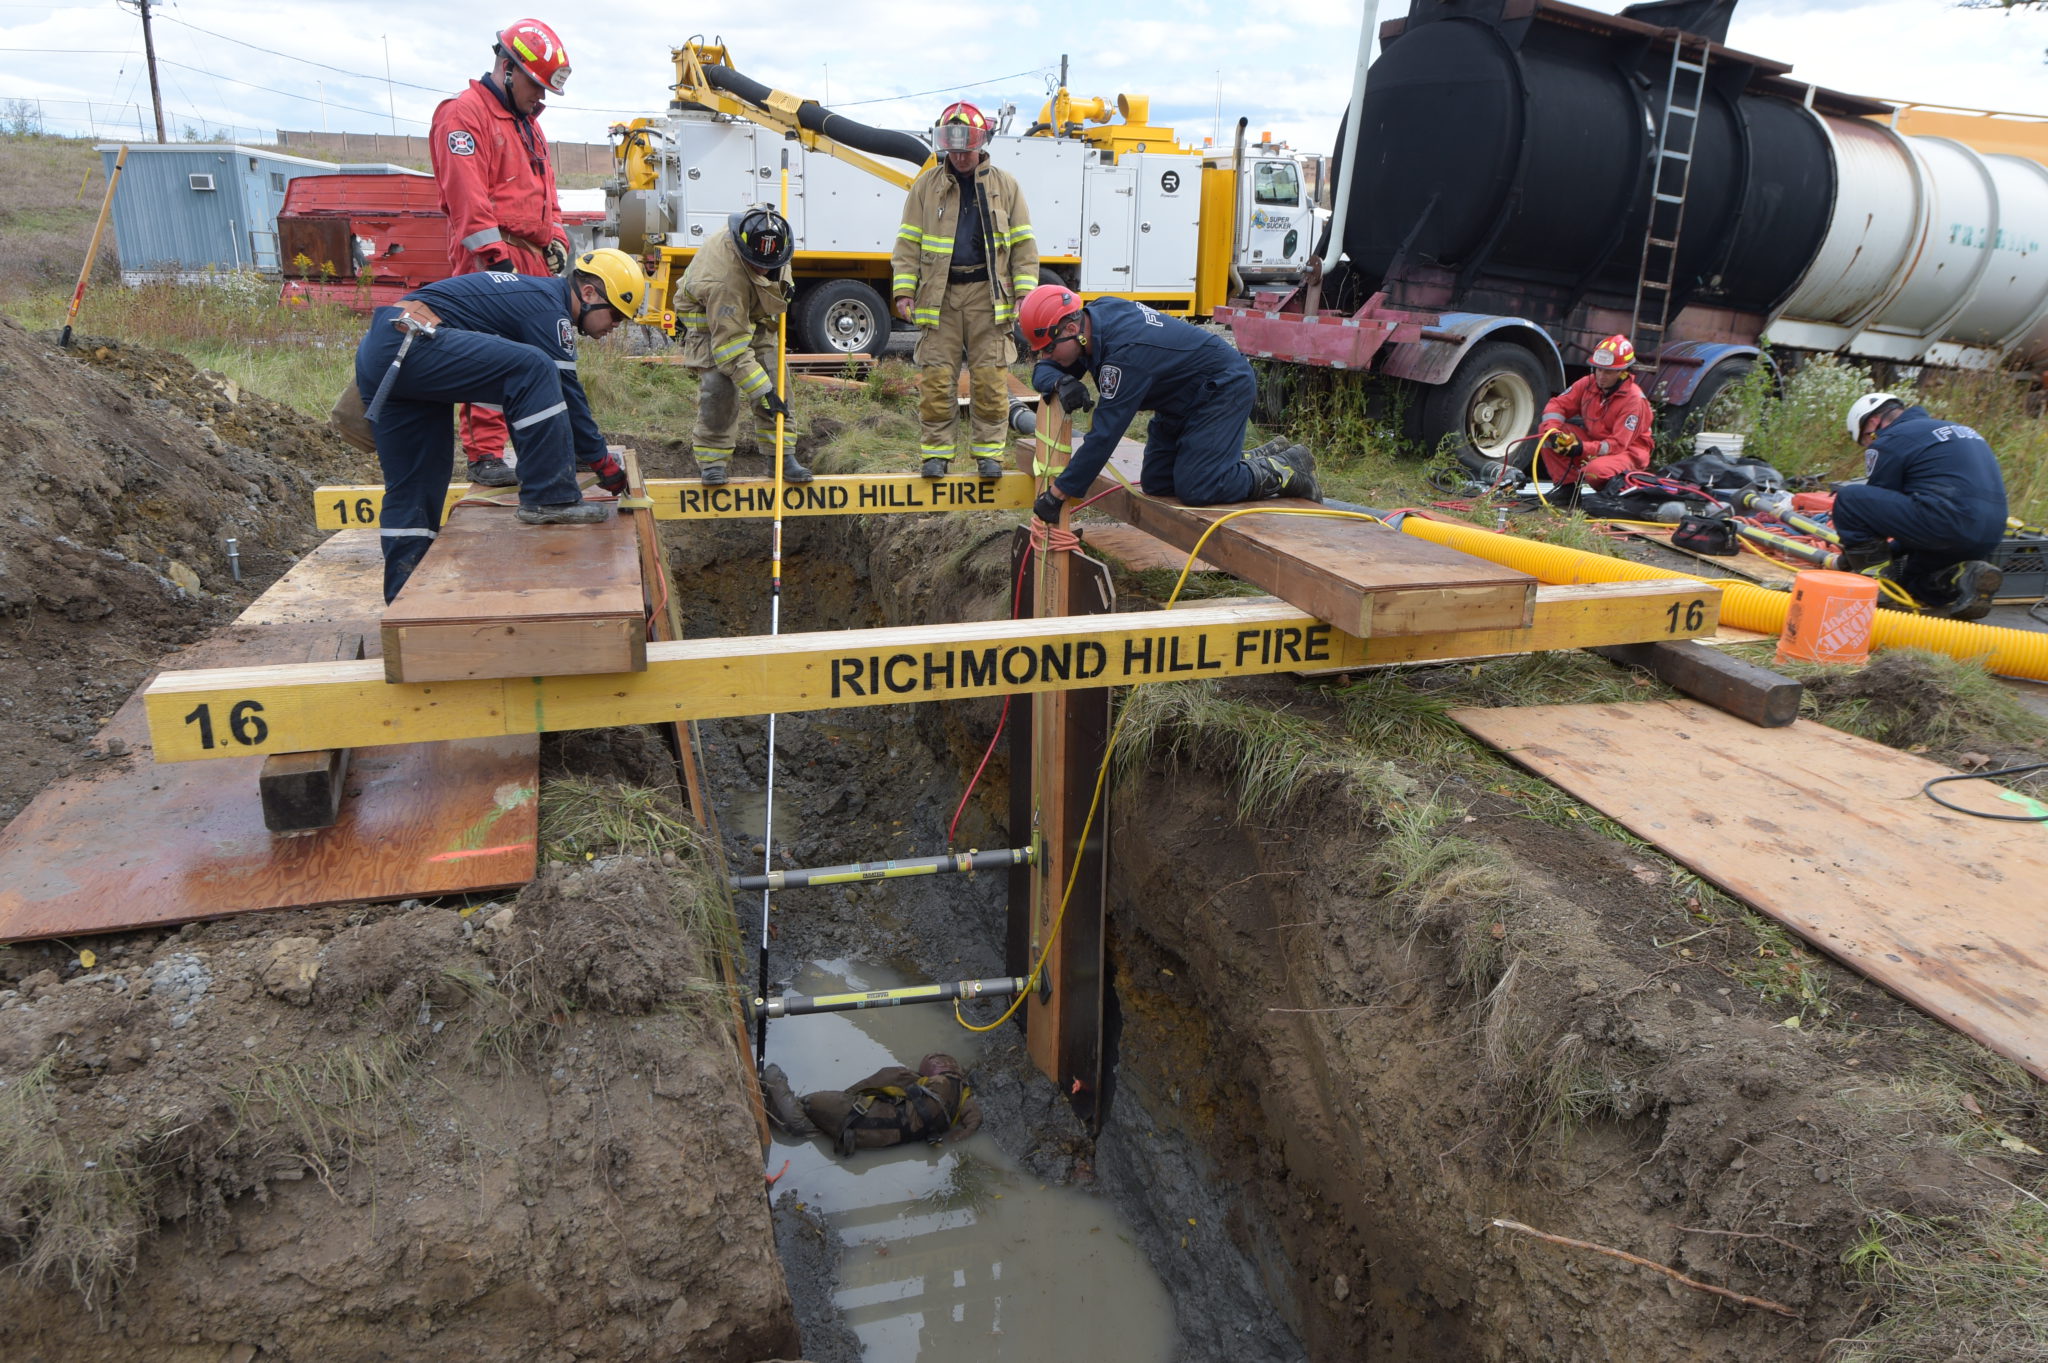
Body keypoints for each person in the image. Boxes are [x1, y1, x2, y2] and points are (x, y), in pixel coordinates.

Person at [355, 248, 644, 603]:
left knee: (416, 487)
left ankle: (403, 602)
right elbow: (568, 394)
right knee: (536, 366)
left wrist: (577, 453)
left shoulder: (533, 298)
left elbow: (530, 400)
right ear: (588, 293)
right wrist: (600, 461)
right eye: (616, 314)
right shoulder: (549, 311)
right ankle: (548, 497)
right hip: (412, 344)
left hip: (389, 349)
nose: (615, 326)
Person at [1017, 283, 1318, 521]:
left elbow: (1104, 437)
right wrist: (1060, 382)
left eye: (1048, 349)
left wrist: (1058, 494)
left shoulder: (1124, 356)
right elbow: (1042, 371)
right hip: (1180, 398)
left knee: (1199, 487)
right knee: (1158, 483)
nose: (1045, 356)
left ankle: (1287, 468)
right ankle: (1236, 460)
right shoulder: (1094, 319)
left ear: (1071, 329)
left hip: (1222, 388)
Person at [430, 18, 575, 489]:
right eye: (537, 85)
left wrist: (556, 238)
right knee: (489, 353)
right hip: (491, 261)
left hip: (531, 258)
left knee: (542, 355)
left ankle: (543, 445)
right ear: (508, 69)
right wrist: (498, 262)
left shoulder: (529, 125)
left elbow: (547, 195)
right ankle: (486, 454)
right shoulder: (463, 115)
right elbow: (467, 201)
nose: (542, 97)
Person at [891, 102, 1039, 479]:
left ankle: (989, 455)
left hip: (988, 297)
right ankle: (936, 455)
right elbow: (907, 243)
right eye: (952, 149)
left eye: (965, 149)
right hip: (938, 296)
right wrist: (904, 291)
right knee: (936, 379)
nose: (958, 156)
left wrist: (1024, 294)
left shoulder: (1005, 186)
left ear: (980, 144)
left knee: (990, 380)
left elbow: (1023, 245)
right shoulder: (926, 186)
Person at [1827, 392, 2007, 619]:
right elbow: (1913, 515)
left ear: (1872, 422)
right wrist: (1893, 551)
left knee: (1851, 500)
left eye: (1866, 440)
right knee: (1912, 583)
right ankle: (1964, 576)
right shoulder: (1960, 430)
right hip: (1990, 533)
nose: (1870, 445)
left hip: (1944, 522)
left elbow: (1877, 514)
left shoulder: (1891, 438)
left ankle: (1876, 583)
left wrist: (1856, 555)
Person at [676, 205, 812, 486]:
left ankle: (781, 456)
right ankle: (713, 462)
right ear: (742, 249)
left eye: (770, 264)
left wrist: (771, 390)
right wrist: (763, 391)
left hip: (755, 316)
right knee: (719, 389)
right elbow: (731, 351)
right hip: (711, 323)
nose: (764, 269)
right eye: (757, 264)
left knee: (777, 381)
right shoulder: (723, 280)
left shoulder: (772, 242)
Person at [761, 1054, 982, 1157]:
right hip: (881, 1139)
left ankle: (771, 1080)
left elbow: (879, 1080)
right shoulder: (965, 1099)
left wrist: (847, 1097)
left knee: (808, 1105)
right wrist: (956, 1138)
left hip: (861, 1119)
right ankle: (817, 1129)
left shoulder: (916, 1079)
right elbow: (972, 1123)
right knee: (820, 1126)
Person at [1533, 334, 1654, 492]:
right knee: (1546, 433)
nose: (1601, 377)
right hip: (1595, 443)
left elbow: (1617, 445)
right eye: (1599, 369)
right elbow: (1558, 405)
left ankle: (1611, 495)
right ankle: (1567, 488)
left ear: (1623, 372)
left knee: (1595, 471)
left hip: (1628, 452)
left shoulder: (1634, 400)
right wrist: (1554, 431)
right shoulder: (1589, 383)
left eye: (1608, 372)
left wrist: (1581, 448)